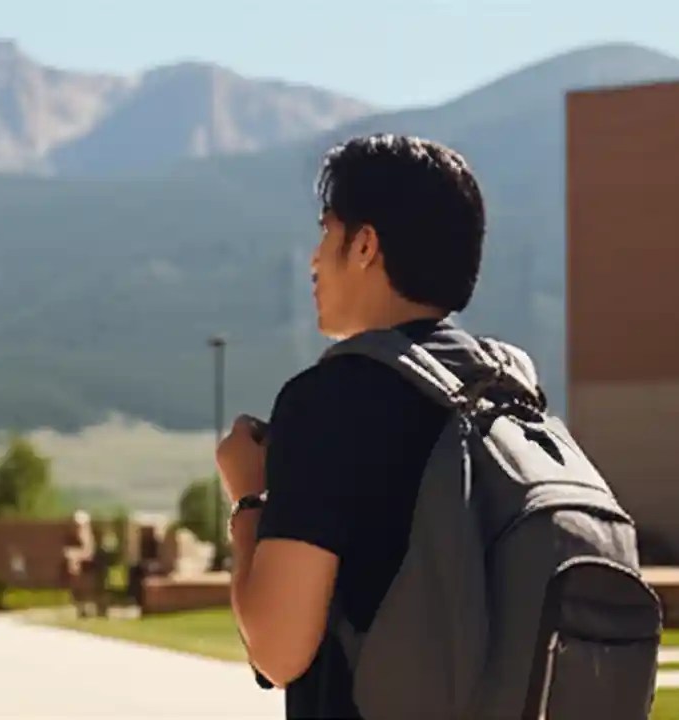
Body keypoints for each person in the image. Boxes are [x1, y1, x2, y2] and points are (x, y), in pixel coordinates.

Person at [216, 133, 486, 719]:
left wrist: (249, 500)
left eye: (326, 232)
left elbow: (277, 651)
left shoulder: (329, 405)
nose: (314, 258)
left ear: (364, 245)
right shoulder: (503, 395)